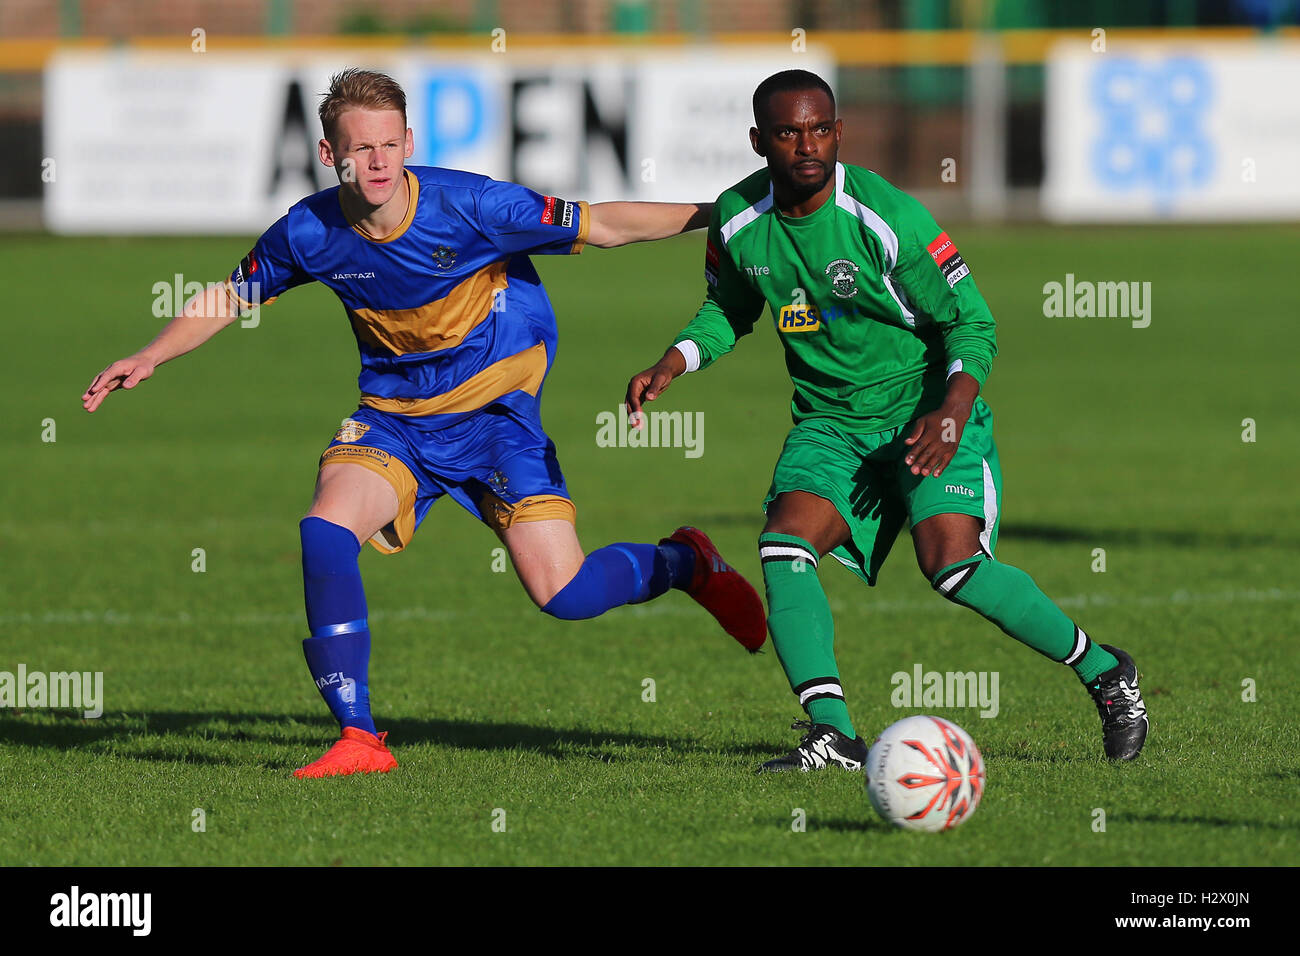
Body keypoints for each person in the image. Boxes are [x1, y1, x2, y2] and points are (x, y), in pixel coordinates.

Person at [82, 68, 765, 779]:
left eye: (388, 144)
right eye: (358, 149)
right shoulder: (309, 232)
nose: (376, 161)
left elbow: (603, 224)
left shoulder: (470, 205)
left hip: (497, 420)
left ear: (408, 140)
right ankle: (359, 738)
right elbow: (233, 293)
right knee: (324, 531)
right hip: (394, 423)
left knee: (565, 596)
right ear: (327, 154)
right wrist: (152, 353)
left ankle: (688, 562)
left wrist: (720, 211)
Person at [625, 69, 1148, 771]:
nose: (806, 145)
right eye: (787, 132)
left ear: (839, 132)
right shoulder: (738, 221)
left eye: (819, 129)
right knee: (784, 544)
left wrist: (953, 413)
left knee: (952, 567)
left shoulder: (885, 216)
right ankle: (834, 734)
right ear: (759, 141)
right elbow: (731, 308)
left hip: (925, 410)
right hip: (829, 422)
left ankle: (1104, 670)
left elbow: (973, 322)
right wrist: (675, 360)